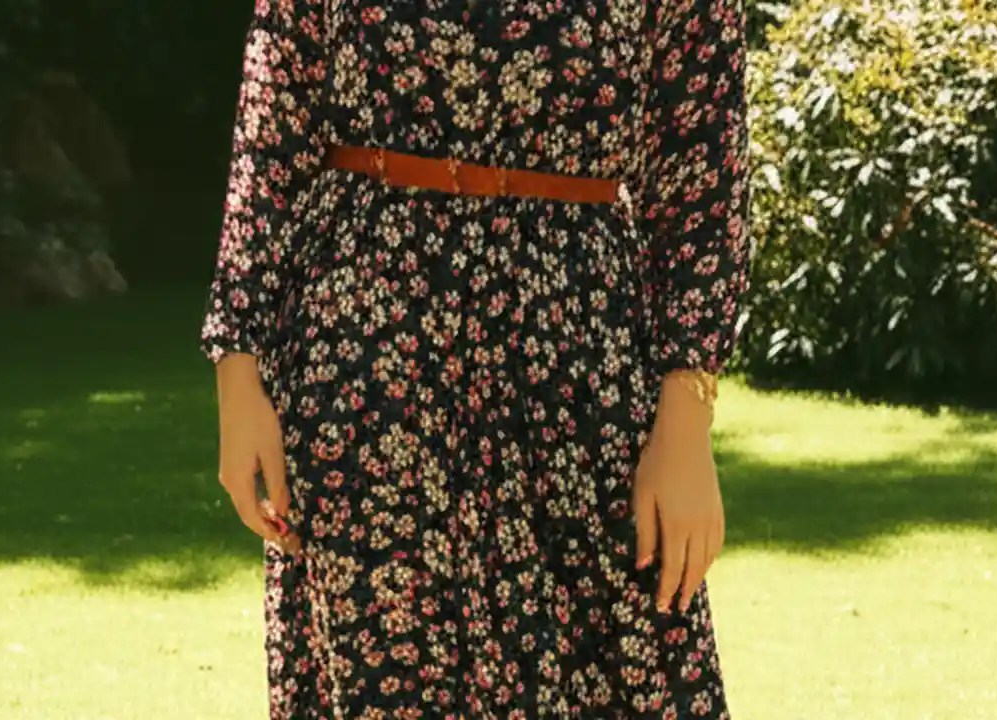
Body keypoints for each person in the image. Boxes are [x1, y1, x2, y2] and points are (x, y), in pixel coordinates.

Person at [200, 0, 751, 716]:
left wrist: (688, 422)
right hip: (367, 368)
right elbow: (271, 128)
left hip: (582, 371)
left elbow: (702, 175)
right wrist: (237, 367)